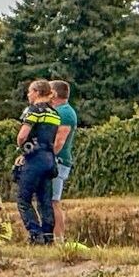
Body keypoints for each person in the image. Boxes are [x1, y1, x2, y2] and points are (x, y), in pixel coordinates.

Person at [14, 80, 66, 244]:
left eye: (30, 91)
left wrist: (20, 147)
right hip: (49, 160)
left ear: (37, 92)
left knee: (24, 199)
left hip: (34, 159)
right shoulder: (54, 113)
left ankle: (36, 235)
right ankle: (49, 237)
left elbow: (23, 135)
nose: (28, 95)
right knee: (45, 201)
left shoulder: (33, 110)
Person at [50, 80, 78, 241]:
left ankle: (59, 237)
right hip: (56, 160)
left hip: (58, 162)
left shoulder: (65, 113)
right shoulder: (59, 111)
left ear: (54, 93)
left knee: (54, 201)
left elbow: (59, 142)